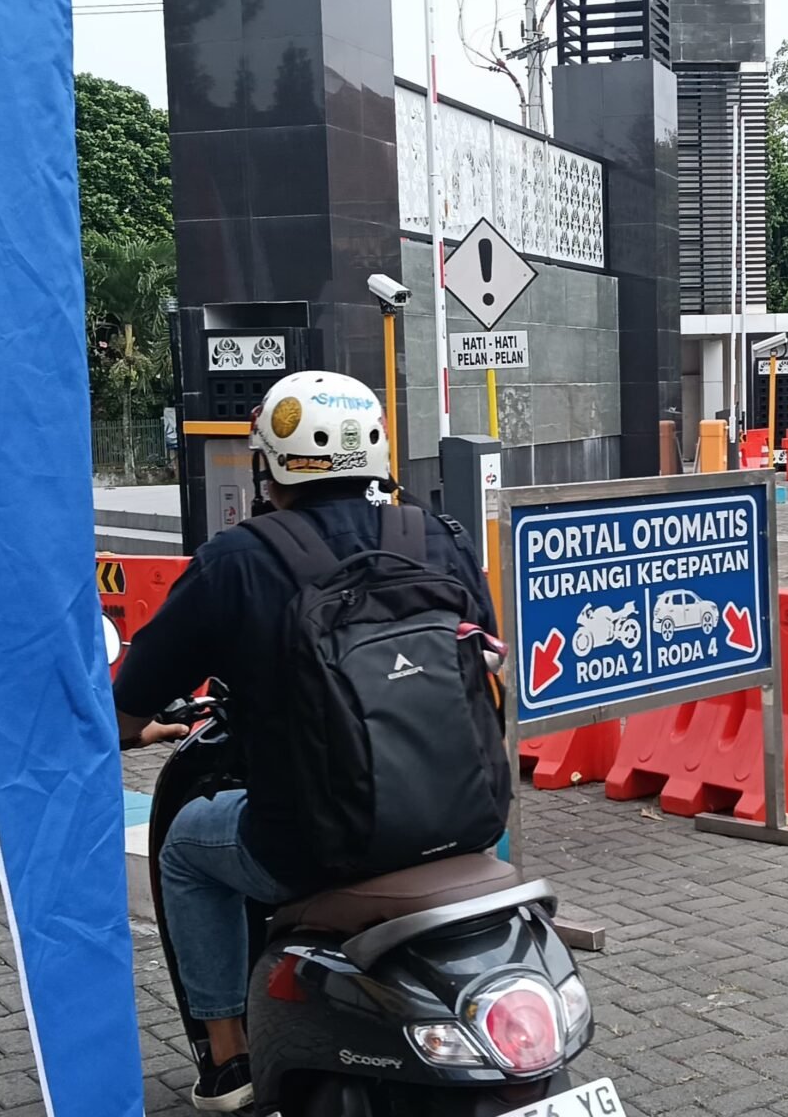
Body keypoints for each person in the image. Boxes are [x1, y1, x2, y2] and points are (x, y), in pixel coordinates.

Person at [112, 371, 500, 1113]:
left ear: (269, 465)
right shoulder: (438, 539)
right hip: (466, 824)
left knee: (187, 851)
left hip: (321, 841)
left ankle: (230, 1062)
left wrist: (140, 726)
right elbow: (483, 657)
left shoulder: (238, 561)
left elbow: (129, 699)